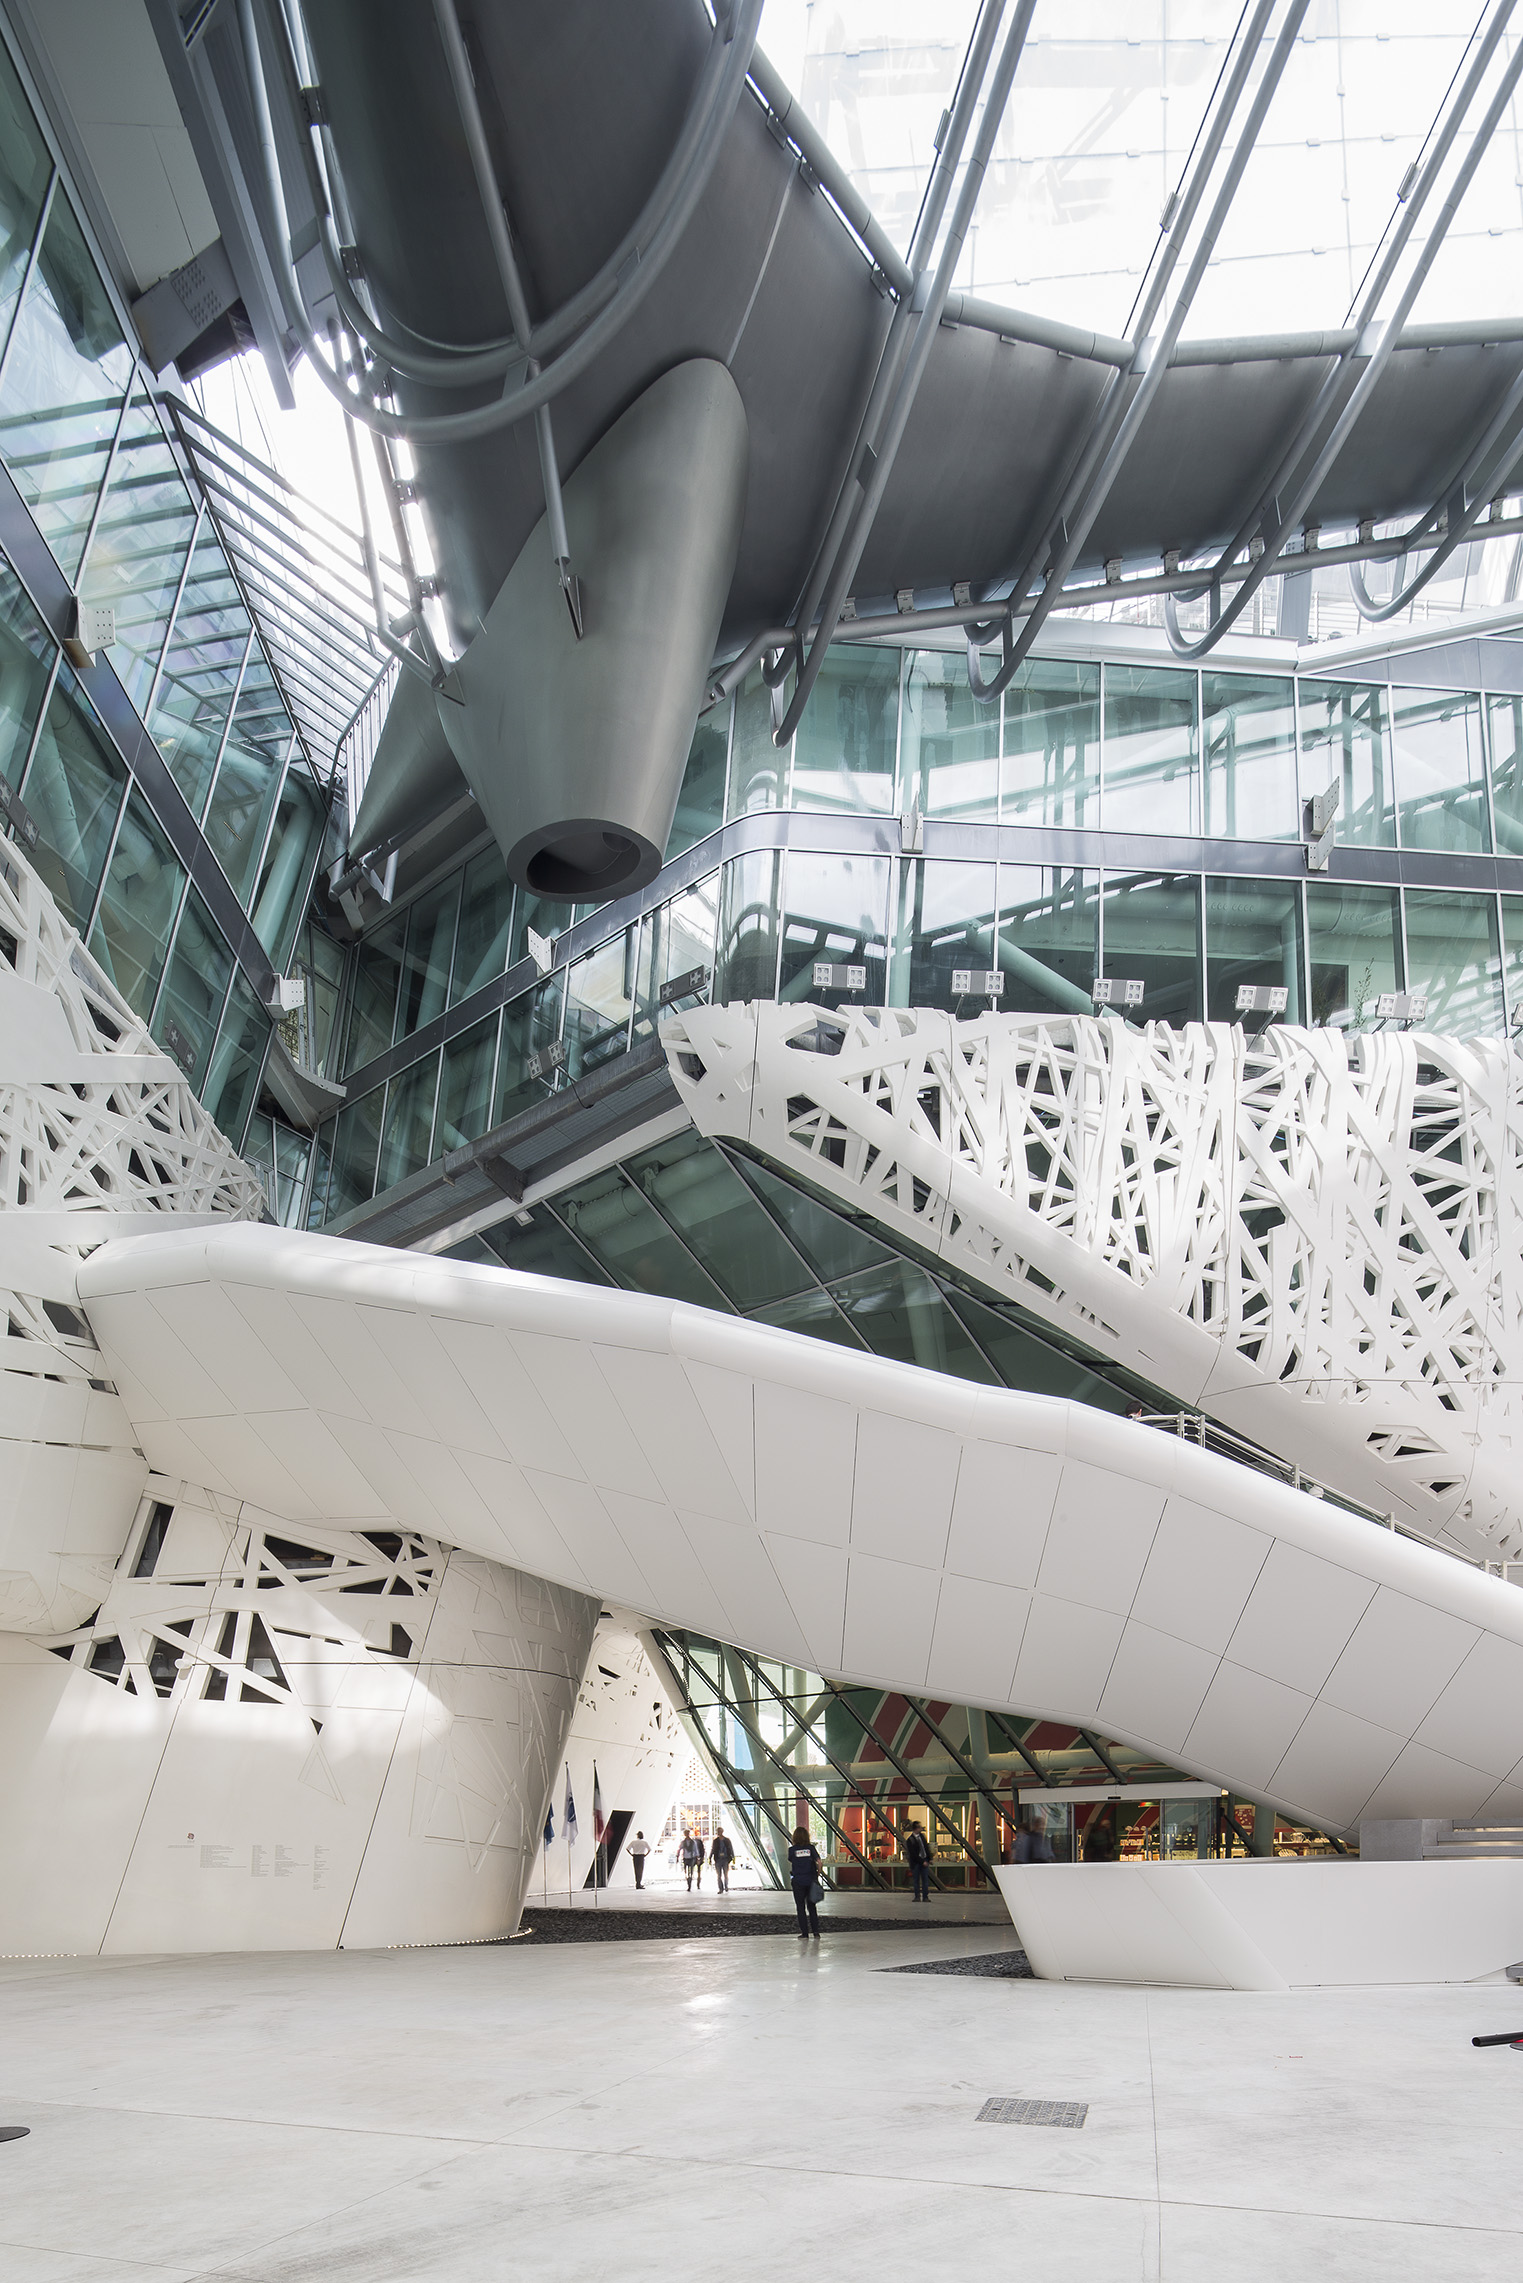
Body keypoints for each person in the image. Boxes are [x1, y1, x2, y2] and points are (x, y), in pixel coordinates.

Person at [787, 1825, 822, 1937]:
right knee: (812, 1907)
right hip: (810, 1880)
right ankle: (815, 1932)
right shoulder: (811, 1848)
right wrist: (817, 1873)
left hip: (798, 1881)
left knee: (800, 1907)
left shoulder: (792, 1850)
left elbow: (791, 1860)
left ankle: (805, 1933)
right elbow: (819, 1862)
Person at [903, 1820, 932, 1902]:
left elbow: (926, 1848)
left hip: (924, 1860)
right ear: (915, 1828)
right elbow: (913, 1854)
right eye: (919, 1827)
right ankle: (917, 1896)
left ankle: (925, 1896)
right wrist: (922, 1861)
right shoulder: (910, 1840)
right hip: (916, 1863)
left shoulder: (922, 1837)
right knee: (916, 1880)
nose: (921, 1828)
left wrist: (929, 1858)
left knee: (925, 1880)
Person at [709, 1826, 735, 1893]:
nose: (719, 1833)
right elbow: (713, 1849)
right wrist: (710, 1857)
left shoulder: (727, 1840)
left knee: (725, 1874)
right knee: (719, 1875)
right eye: (718, 1832)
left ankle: (726, 1886)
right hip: (718, 1859)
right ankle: (721, 1888)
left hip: (725, 1859)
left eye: (720, 1831)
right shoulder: (715, 1841)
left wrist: (733, 1856)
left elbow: (731, 1848)